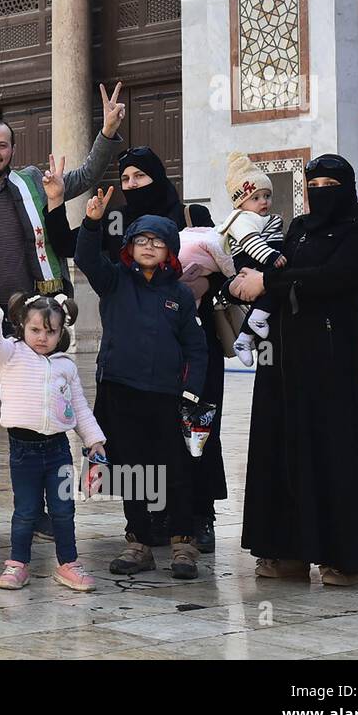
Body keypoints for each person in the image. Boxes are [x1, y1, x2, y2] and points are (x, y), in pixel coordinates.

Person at [0, 82, 127, 540]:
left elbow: (86, 177)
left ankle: (39, 515)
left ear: (13, 149)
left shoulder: (35, 182)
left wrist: (109, 131)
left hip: (32, 323)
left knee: (44, 420)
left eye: (1, 146)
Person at [229, 154, 358, 586]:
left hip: (329, 359)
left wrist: (270, 283)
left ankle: (345, 558)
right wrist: (238, 279)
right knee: (279, 446)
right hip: (279, 357)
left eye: (328, 184)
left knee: (332, 448)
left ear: (348, 186)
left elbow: (334, 276)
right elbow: (270, 266)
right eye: (312, 183)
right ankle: (286, 554)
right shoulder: (297, 228)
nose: (320, 191)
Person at [75, 187, 208, 580]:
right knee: (131, 470)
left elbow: (196, 349)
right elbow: (85, 257)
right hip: (120, 390)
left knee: (176, 469)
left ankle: (184, 544)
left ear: (171, 251)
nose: (149, 247)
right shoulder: (114, 281)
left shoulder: (180, 296)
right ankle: (139, 543)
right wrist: (92, 222)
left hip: (167, 398)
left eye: (158, 242)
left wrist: (191, 391)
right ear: (129, 247)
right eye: (141, 240)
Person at [110, 145, 226, 554]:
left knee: (194, 432)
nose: (132, 186)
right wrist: (57, 203)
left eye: (140, 177)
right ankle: (149, 522)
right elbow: (87, 257)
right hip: (137, 355)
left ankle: (199, 517)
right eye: (125, 179)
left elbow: (233, 269)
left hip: (193, 344)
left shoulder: (192, 218)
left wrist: (206, 285)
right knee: (141, 439)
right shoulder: (121, 224)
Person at [0, 284, 105, 592]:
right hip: (23, 450)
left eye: (50, 332)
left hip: (59, 449)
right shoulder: (11, 354)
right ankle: (18, 562)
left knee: (63, 509)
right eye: (35, 329)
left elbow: (79, 407)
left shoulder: (66, 366)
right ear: (22, 325)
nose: (42, 338)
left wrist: (94, 439)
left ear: (61, 332)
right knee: (26, 510)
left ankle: (68, 562)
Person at [217, 152, 287, 367]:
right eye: (255, 198)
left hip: (262, 261)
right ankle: (250, 330)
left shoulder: (263, 219)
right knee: (271, 289)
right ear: (240, 202)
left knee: (270, 291)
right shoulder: (240, 219)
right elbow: (250, 243)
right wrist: (273, 256)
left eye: (267, 196)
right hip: (252, 260)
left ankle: (244, 339)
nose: (263, 201)